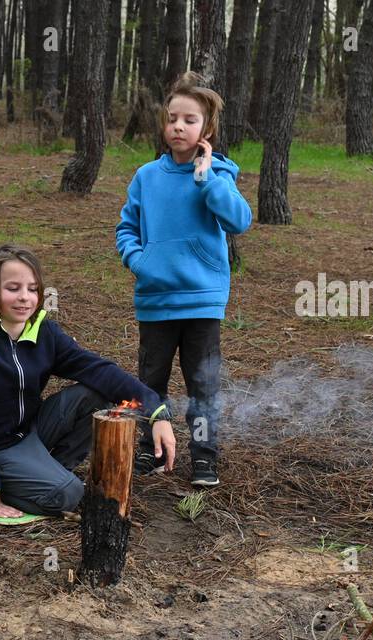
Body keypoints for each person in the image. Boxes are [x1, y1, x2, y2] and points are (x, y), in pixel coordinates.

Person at [0, 244, 176, 519]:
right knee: (70, 495)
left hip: (31, 431)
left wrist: (156, 412)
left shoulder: (45, 332)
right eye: (13, 288)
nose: (25, 298)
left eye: (32, 289)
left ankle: (48, 471)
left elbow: (97, 369)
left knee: (96, 399)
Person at [115, 72, 253, 488]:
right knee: (150, 380)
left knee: (202, 384)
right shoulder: (146, 176)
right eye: (172, 118)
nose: (178, 126)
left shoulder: (218, 176)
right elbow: (126, 229)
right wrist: (141, 262)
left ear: (206, 130)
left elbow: (239, 221)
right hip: (156, 299)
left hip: (202, 301)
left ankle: (204, 457)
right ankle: (151, 450)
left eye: (189, 120)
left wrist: (206, 176)